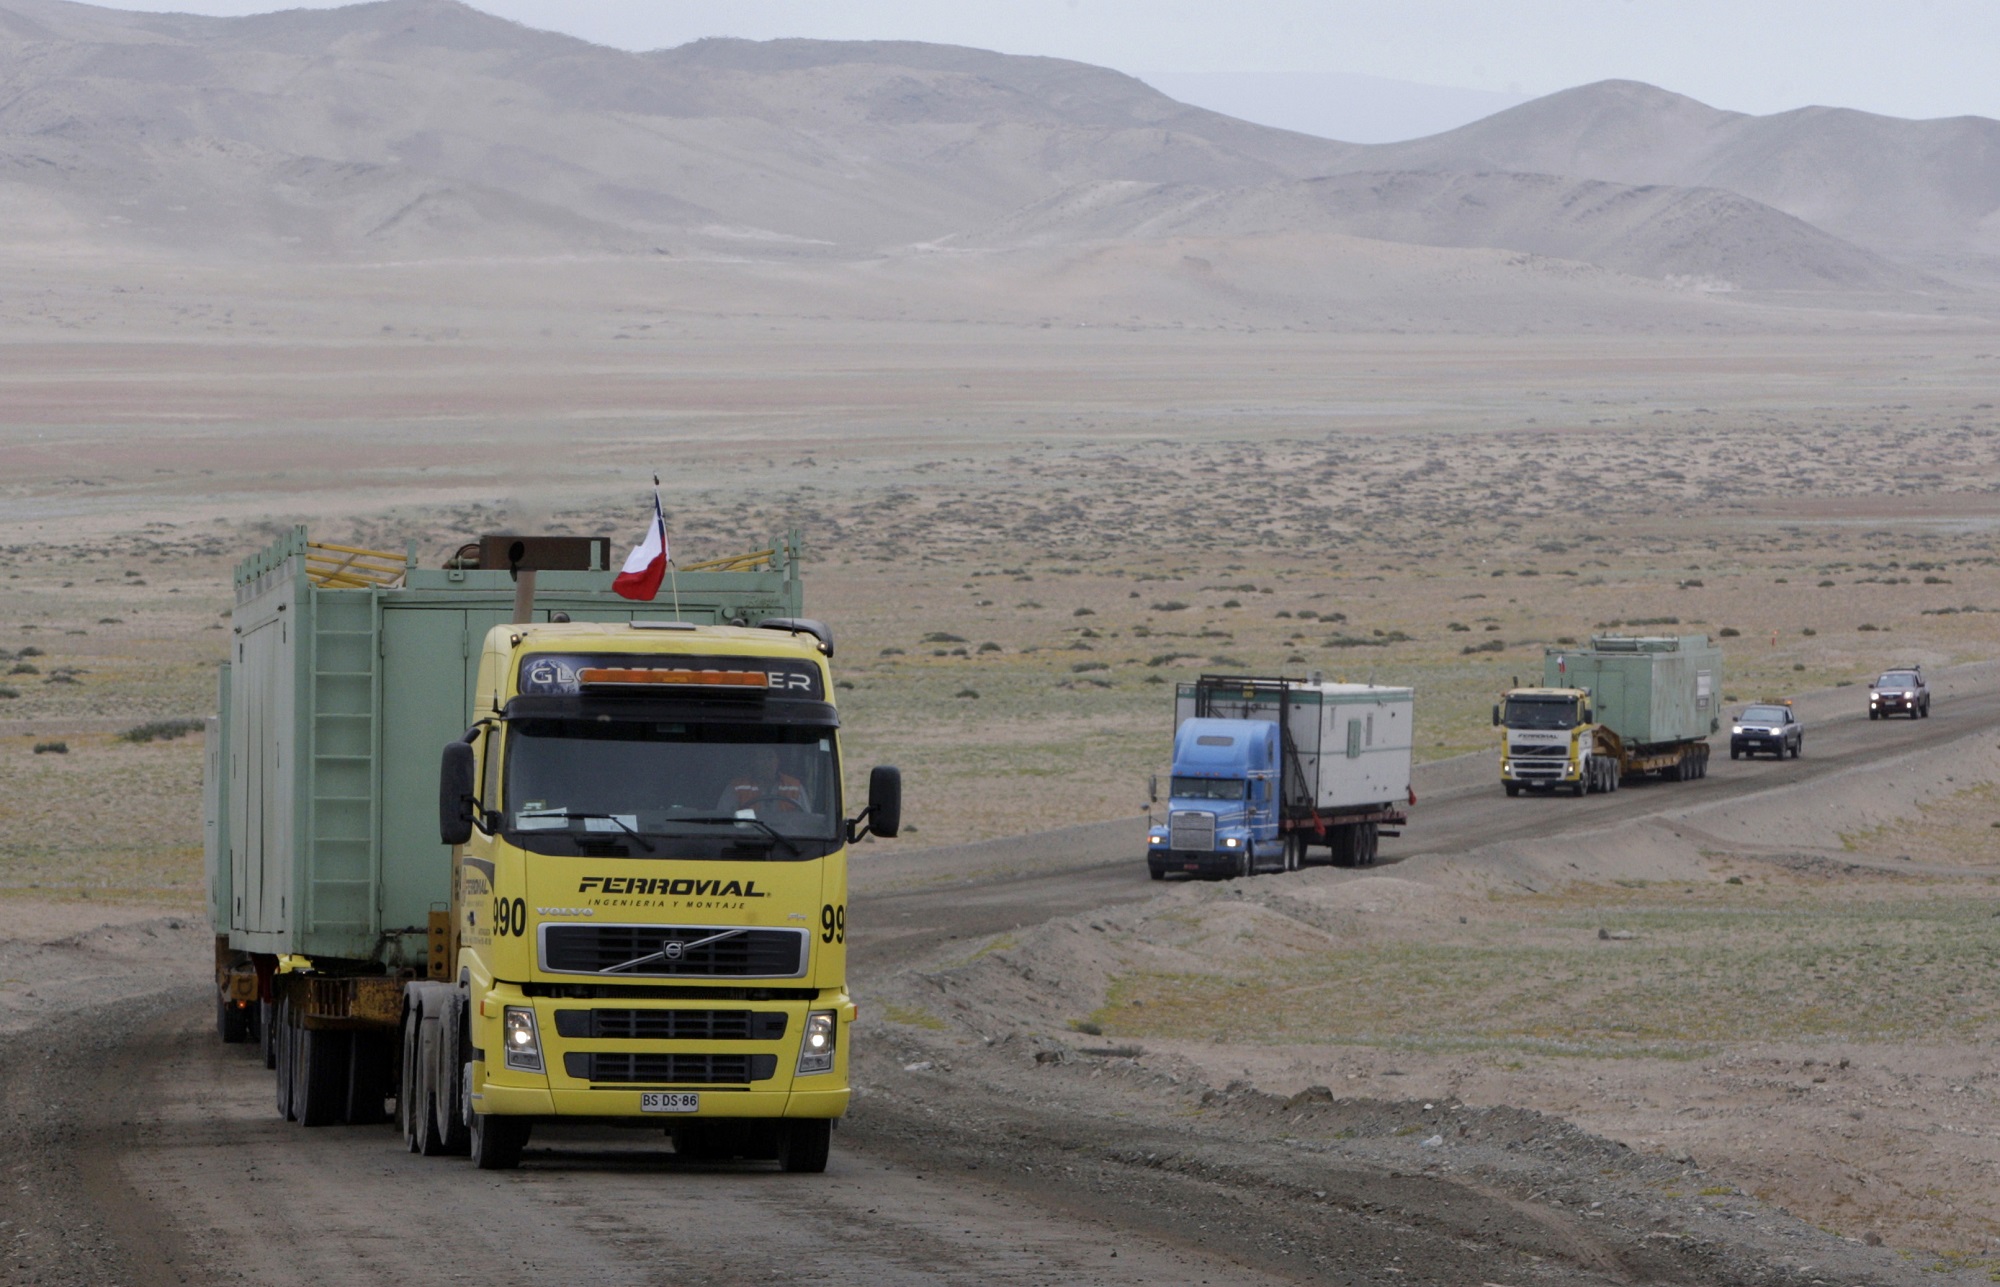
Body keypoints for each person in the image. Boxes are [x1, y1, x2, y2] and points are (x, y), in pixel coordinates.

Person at [718, 746, 811, 817]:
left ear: (778, 761)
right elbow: (723, 821)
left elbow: (807, 821)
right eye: (761, 758)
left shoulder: (795, 787)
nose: (766, 763)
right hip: (746, 838)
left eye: (770, 757)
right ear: (753, 762)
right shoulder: (736, 788)